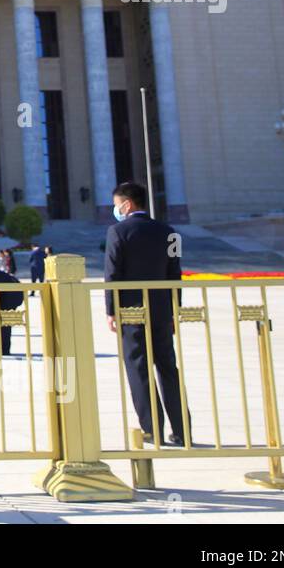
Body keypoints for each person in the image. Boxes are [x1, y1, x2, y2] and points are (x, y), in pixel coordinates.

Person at [104, 181, 189, 446]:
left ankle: (152, 430)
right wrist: (175, 309)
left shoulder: (118, 232)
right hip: (163, 309)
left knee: (139, 366)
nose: (115, 210)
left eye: (117, 205)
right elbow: (176, 274)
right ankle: (182, 429)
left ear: (127, 204)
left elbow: (112, 274)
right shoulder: (170, 233)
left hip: (131, 311)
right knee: (168, 367)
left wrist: (111, 311)